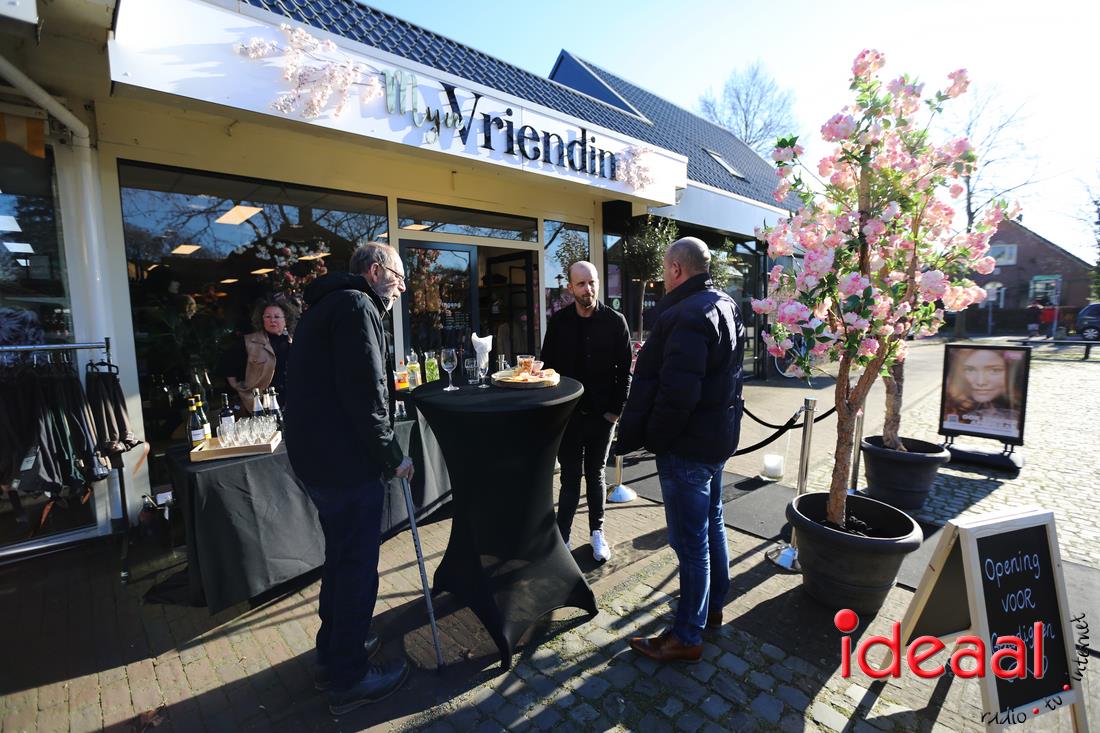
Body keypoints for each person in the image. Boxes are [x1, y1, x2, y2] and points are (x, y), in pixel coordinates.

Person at [284, 242, 414, 714]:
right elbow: (366, 395)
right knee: (357, 565)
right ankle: (349, 677)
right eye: (398, 279)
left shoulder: (327, 306)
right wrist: (392, 454)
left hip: (317, 458)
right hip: (342, 461)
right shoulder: (357, 305)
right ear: (376, 272)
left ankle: (334, 651)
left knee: (340, 559)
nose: (400, 289)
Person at [616, 237, 745, 664]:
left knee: (691, 544)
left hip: (689, 447)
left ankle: (687, 633)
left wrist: (655, 439)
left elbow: (677, 396)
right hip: (716, 439)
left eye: (664, 271)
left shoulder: (687, 315)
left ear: (675, 269)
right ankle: (710, 609)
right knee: (712, 526)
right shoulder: (725, 304)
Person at [539, 261, 631, 561]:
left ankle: (597, 533)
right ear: (570, 288)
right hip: (568, 417)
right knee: (569, 478)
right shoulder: (559, 322)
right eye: (581, 284)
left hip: (602, 416)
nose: (588, 289)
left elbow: (624, 372)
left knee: (595, 475)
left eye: (592, 282)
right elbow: (548, 369)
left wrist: (615, 413)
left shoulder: (615, 321)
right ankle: (562, 538)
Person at [224, 297, 297, 412]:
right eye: (268, 317)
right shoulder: (249, 341)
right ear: (262, 320)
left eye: (277, 317)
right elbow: (228, 366)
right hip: (261, 404)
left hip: (292, 401)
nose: (272, 320)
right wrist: (240, 389)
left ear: (286, 320)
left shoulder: (294, 342)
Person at [942, 348, 1022, 436]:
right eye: (970, 370)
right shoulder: (952, 411)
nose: (981, 382)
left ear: (1010, 372)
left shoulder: (1014, 414)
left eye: (994, 370)